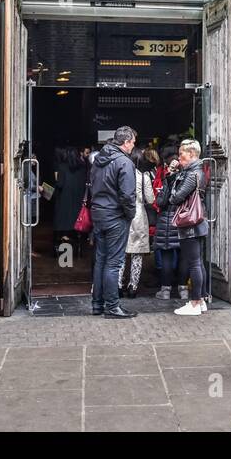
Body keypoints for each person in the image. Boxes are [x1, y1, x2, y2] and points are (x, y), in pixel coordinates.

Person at [87, 126, 139, 319]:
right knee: (113, 263)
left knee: (101, 260)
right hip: (116, 216)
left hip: (99, 214)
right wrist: (130, 214)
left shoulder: (98, 160)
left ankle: (97, 304)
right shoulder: (124, 162)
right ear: (125, 142)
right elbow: (127, 195)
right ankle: (112, 306)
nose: (134, 146)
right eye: (133, 142)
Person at [165, 139, 210, 317]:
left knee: (194, 264)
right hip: (198, 223)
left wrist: (172, 176)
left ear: (191, 154)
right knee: (198, 262)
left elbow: (175, 198)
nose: (179, 157)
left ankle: (195, 302)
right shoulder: (197, 171)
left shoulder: (192, 174)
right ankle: (202, 299)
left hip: (190, 224)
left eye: (182, 154)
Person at [119, 148, 155, 298]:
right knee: (137, 254)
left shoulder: (120, 174)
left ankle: (118, 286)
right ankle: (133, 287)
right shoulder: (143, 176)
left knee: (120, 253)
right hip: (138, 215)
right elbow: (151, 199)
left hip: (122, 214)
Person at [152, 143, 182, 301]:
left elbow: (161, 201)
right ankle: (183, 290)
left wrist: (168, 178)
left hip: (167, 221)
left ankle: (165, 291)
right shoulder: (188, 175)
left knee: (167, 257)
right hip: (184, 220)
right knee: (184, 256)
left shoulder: (168, 178)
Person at [51, 146, 87, 257]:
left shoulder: (62, 167)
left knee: (63, 228)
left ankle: (64, 257)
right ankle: (78, 251)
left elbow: (60, 184)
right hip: (78, 202)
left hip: (64, 202)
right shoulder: (83, 167)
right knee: (76, 228)